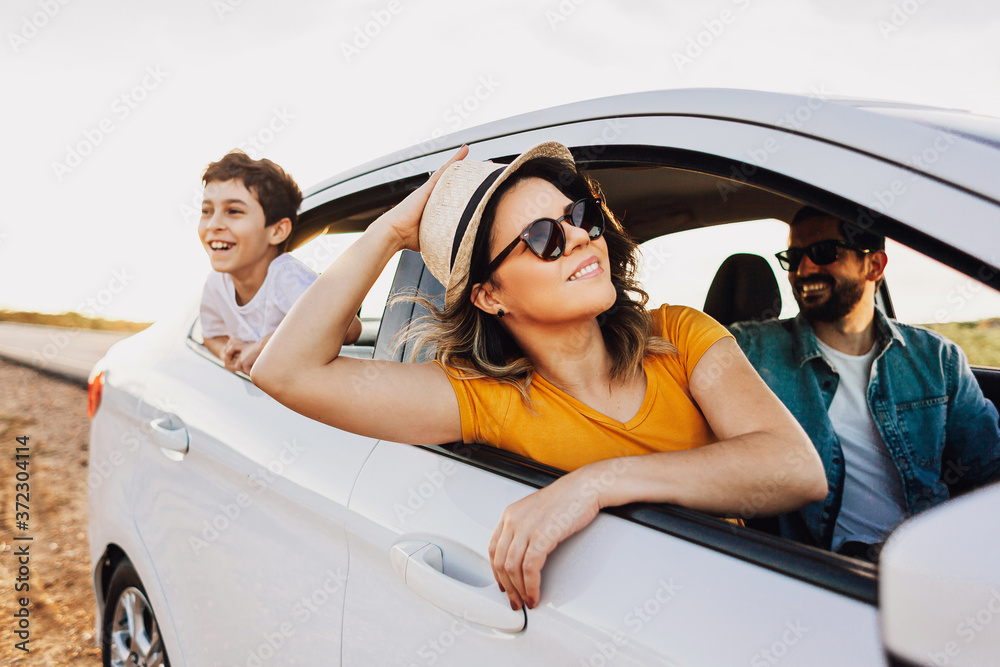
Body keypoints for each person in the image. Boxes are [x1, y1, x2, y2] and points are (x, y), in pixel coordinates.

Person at [251, 142, 827, 611]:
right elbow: (286, 372)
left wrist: (594, 483)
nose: (577, 236)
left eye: (579, 216)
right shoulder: (485, 398)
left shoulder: (679, 334)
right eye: (544, 238)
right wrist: (392, 231)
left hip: (745, 606)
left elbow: (797, 470)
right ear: (490, 293)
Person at [729, 206, 1000, 558]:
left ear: (874, 265)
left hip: (933, 556)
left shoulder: (936, 358)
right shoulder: (750, 350)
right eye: (793, 258)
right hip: (829, 570)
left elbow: (988, 471)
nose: (803, 269)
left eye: (824, 253)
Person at [198, 150, 362, 373]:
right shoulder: (216, 282)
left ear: (277, 231)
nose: (213, 224)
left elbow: (351, 328)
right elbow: (211, 335)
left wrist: (264, 346)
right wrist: (228, 353)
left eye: (234, 211)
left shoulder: (286, 276)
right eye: (207, 211)